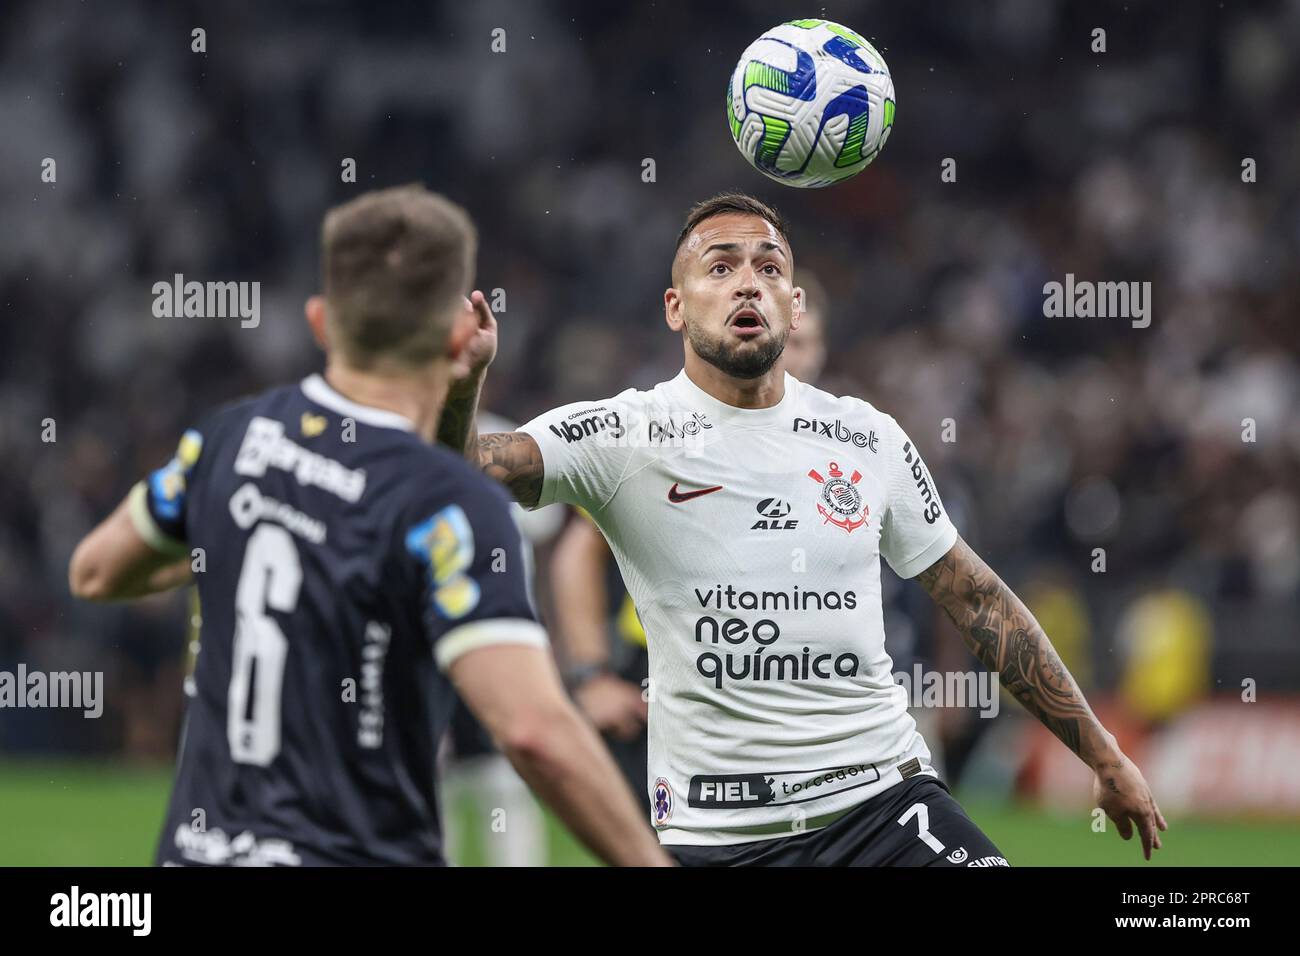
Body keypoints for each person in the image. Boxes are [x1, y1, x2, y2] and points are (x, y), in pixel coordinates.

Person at [439, 192, 1167, 866]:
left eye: (768, 267)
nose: (747, 282)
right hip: (720, 836)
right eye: (719, 267)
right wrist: (465, 385)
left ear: (793, 301)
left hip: (884, 804)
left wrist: (1104, 755)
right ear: (674, 306)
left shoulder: (865, 437)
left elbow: (977, 600)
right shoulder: (625, 435)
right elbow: (454, 471)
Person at [68, 184, 669, 867]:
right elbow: (532, 730)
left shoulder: (226, 441)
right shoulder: (455, 507)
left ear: (321, 322)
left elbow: (94, 570)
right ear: (456, 334)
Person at [548, 273, 830, 804]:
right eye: (784, 342)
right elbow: (577, 554)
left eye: (805, 342)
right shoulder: (671, 434)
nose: (792, 356)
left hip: (789, 688)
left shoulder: (842, 446)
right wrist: (591, 676)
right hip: (665, 679)